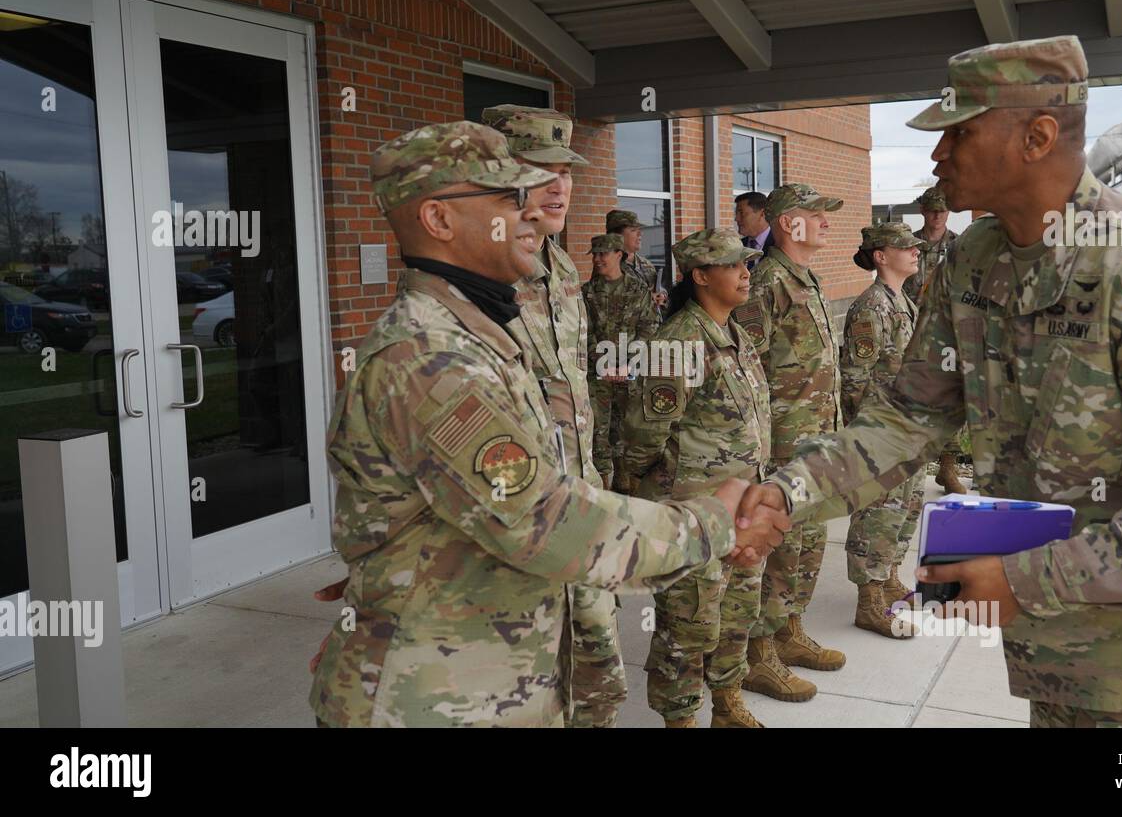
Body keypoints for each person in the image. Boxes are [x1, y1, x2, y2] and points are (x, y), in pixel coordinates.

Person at [738, 35, 1122, 728]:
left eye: (958, 133)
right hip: (1054, 653)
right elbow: (906, 418)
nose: (938, 155)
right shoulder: (972, 262)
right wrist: (784, 493)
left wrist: (1020, 579)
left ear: (1037, 137)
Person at [309, 121, 788, 727]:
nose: (534, 213)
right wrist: (715, 521)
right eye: (512, 199)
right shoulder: (432, 357)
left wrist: (380, 585)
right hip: (438, 700)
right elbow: (544, 521)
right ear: (438, 220)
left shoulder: (478, 332)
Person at [480, 104, 624, 728]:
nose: (561, 184)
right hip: (516, 516)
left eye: (565, 169)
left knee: (597, 669)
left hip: (579, 496)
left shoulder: (559, 264)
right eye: (540, 168)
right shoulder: (475, 274)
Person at [622, 228, 769, 728]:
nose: (745, 273)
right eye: (733, 265)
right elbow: (643, 432)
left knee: (737, 610)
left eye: (747, 263)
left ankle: (727, 702)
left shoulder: (734, 333)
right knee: (688, 625)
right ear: (700, 275)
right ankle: (680, 718)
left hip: (741, 507)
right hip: (691, 511)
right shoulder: (678, 340)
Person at [731, 183, 846, 702]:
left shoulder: (806, 278)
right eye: (815, 214)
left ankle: (788, 631)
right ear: (785, 223)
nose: (825, 222)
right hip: (782, 448)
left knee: (806, 546)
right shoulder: (767, 283)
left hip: (815, 444)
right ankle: (758, 656)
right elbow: (745, 369)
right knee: (777, 550)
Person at [839, 221, 926, 637]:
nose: (915, 252)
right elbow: (854, 376)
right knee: (877, 512)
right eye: (905, 247)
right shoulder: (872, 306)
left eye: (915, 247)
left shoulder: (900, 301)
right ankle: (868, 600)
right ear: (880, 256)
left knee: (906, 508)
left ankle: (889, 577)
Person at [582, 233, 660, 491]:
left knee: (628, 432)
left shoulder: (638, 289)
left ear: (619, 255)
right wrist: (603, 362)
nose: (596, 259)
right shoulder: (588, 292)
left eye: (602, 253)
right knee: (598, 433)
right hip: (599, 375)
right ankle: (602, 489)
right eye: (594, 254)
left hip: (631, 373)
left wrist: (629, 363)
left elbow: (650, 326)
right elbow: (583, 330)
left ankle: (627, 489)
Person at [908, 186, 968, 495]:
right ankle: (914, 464)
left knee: (951, 395)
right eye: (932, 210)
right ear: (923, 211)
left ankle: (947, 466)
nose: (937, 215)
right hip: (911, 330)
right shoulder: (908, 246)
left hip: (947, 332)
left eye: (942, 210)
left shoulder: (959, 246)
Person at [606, 208, 667, 309]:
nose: (640, 234)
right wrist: (645, 299)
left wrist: (662, 296)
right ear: (617, 236)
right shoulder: (607, 266)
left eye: (639, 229)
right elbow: (605, 304)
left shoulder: (646, 264)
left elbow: (658, 290)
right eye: (634, 230)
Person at [734, 191, 772, 269]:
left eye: (741, 213)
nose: (736, 219)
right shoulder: (737, 246)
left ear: (762, 214)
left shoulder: (780, 245)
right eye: (736, 213)